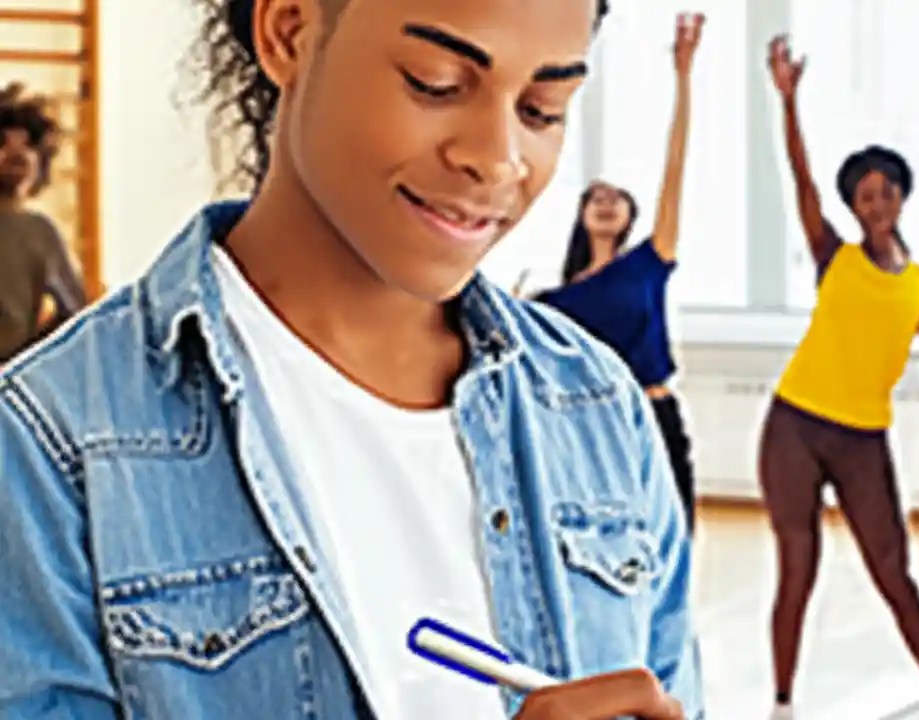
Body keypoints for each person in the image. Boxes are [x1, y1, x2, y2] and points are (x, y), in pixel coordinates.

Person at [0, 1, 702, 719]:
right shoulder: (48, 445)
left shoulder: (599, 407)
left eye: (542, 109)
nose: (497, 158)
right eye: (435, 82)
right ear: (290, 32)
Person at [760, 36, 919, 719]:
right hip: (795, 425)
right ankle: (781, 703)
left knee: (894, 572)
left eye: (886, 190)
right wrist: (789, 100)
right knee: (797, 569)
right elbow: (801, 185)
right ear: (854, 208)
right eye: (863, 195)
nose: (876, 201)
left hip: (864, 439)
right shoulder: (835, 256)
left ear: (900, 198)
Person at [534, 12, 703, 533]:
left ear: (631, 217)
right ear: (580, 217)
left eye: (616, 199)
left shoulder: (647, 266)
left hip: (656, 417)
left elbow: (674, 170)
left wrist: (683, 74)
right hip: (595, 427)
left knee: (672, 539)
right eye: (595, 198)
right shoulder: (554, 303)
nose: (606, 204)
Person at [0, 82, 85, 363]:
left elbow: (75, 315)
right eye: (2, 143)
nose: (16, 154)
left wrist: (27, 357)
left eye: (27, 145)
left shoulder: (41, 233)